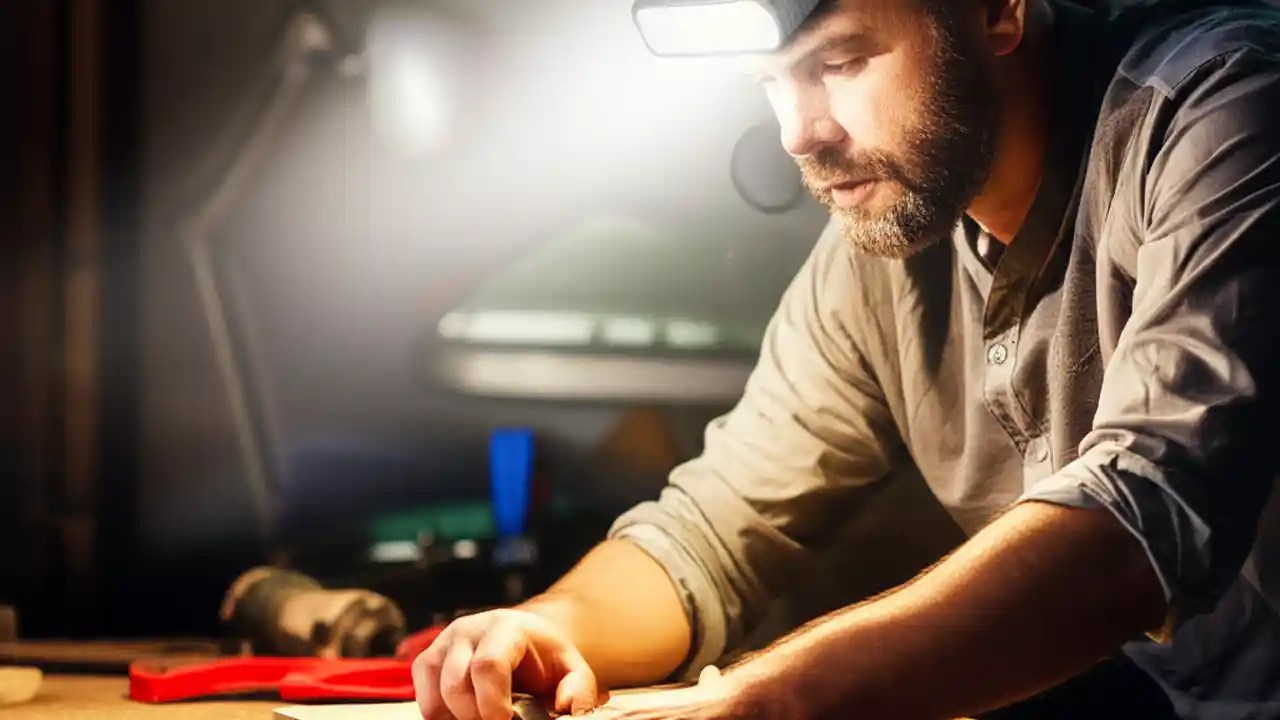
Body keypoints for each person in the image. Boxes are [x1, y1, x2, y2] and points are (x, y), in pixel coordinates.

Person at [413, 0, 1280, 717]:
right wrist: (548, 627)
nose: (798, 133)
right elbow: (717, 527)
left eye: (840, 64)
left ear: (1000, 11)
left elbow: (1143, 521)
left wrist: (776, 698)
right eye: (770, 82)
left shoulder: (1224, 112)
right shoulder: (888, 249)